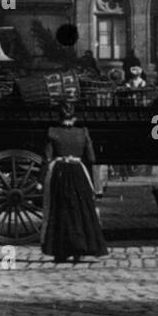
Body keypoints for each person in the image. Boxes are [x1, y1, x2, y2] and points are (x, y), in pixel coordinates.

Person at [40, 101, 108, 264]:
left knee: (59, 210)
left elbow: (47, 157)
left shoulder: (53, 132)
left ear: (59, 116)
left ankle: (61, 251)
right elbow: (91, 158)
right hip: (78, 172)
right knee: (81, 210)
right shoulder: (83, 132)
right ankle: (81, 248)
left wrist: (40, 179)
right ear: (75, 117)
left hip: (60, 173)